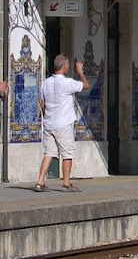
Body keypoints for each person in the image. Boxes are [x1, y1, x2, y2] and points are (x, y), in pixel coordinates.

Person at [35, 55, 90, 192]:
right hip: (64, 124)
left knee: (49, 153)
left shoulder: (45, 83)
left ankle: (40, 182)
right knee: (67, 154)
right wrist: (80, 71)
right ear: (64, 66)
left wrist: (47, 116)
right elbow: (86, 85)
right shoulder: (68, 83)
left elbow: (42, 104)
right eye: (68, 65)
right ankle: (66, 183)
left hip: (49, 124)